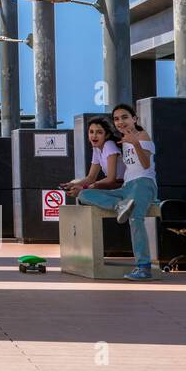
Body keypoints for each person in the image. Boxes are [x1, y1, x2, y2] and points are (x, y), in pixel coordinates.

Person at [74, 106, 159, 282]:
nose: (120, 122)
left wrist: (135, 142)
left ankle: (144, 268)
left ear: (134, 119)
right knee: (83, 195)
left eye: (125, 117)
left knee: (135, 218)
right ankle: (119, 206)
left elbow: (145, 165)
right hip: (127, 188)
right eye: (117, 119)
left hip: (143, 184)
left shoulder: (142, 136)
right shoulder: (124, 139)